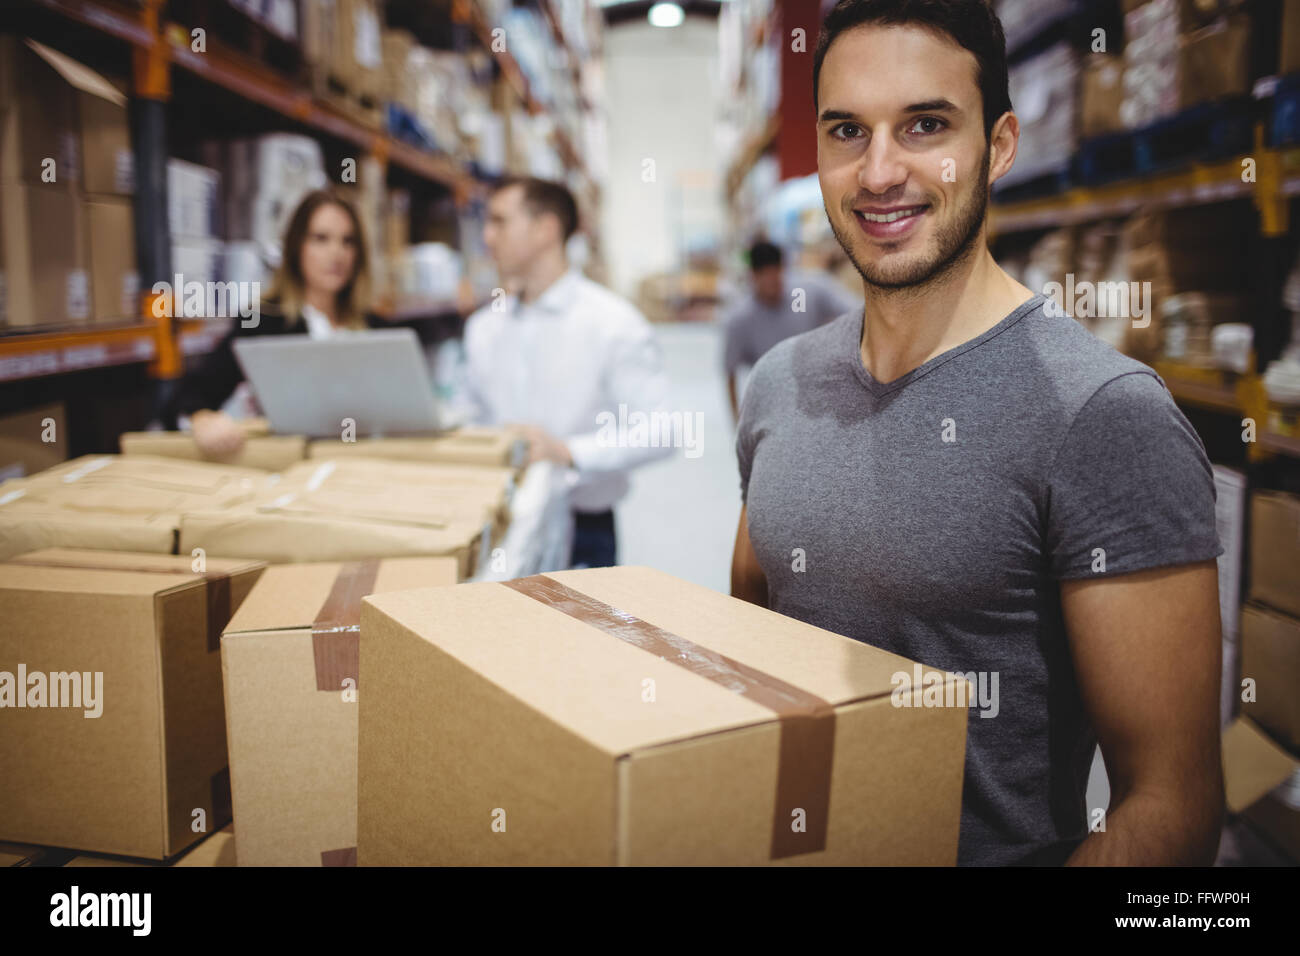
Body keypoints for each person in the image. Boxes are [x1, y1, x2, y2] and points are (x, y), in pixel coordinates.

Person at [731, 0, 1223, 866]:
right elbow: (747, 656)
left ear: (997, 146)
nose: (879, 172)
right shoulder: (779, 384)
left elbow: (1171, 808)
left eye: (925, 125)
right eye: (847, 131)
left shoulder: (1104, 415)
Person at [461, 176, 672, 569]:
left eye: (500, 222)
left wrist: (568, 452)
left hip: (583, 530)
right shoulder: (484, 328)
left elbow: (663, 430)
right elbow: (471, 415)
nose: (487, 237)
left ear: (546, 229)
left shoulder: (612, 323)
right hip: (493, 520)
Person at [167, 190, 376, 456]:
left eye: (348, 241)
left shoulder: (377, 327)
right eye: (321, 239)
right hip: (293, 467)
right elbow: (191, 395)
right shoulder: (262, 323)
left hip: (366, 463)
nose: (337, 253)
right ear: (296, 246)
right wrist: (203, 419)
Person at [722, 239, 861, 420]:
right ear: (753, 276)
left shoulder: (807, 293)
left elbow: (858, 312)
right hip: (773, 404)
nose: (772, 281)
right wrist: (737, 424)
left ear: (783, 269)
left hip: (820, 396)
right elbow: (730, 371)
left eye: (776, 273)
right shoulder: (741, 319)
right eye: (765, 276)